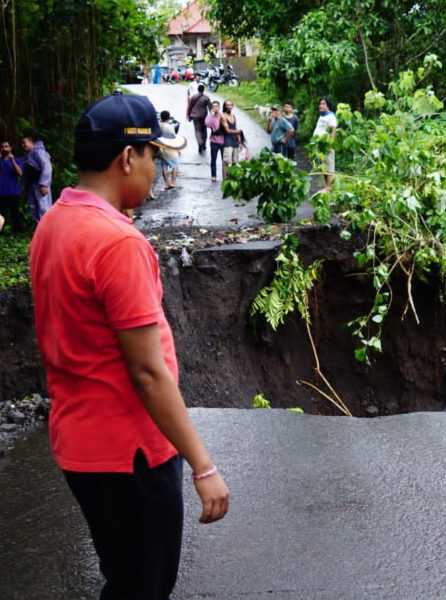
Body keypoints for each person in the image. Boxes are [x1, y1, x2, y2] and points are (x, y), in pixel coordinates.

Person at [29, 92, 223, 599]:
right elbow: (148, 372)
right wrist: (203, 466)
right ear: (127, 157)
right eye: (154, 157)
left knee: (124, 576)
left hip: (80, 446)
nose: (156, 169)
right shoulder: (117, 244)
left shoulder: (53, 224)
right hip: (131, 455)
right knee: (145, 586)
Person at [21, 131, 52, 224]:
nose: (23, 145)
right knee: (33, 206)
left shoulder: (39, 152)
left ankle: (46, 229)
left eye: (24, 142)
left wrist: (44, 184)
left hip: (40, 185)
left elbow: (47, 167)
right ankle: (38, 228)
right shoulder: (29, 154)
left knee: (43, 207)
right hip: (33, 185)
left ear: (31, 141)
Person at [312, 97, 337, 191]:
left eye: (323, 104)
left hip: (326, 145)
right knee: (323, 166)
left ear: (328, 106)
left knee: (329, 166)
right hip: (320, 146)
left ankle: (329, 187)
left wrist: (330, 144)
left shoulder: (331, 116)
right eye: (320, 103)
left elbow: (333, 131)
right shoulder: (322, 115)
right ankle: (326, 186)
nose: (320, 105)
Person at [0, 140, 25, 232]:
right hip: (1, 192)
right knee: (1, 214)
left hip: (13, 191)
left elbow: (20, 173)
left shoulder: (17, 160)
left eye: (6, 146)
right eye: (2, 147)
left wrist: (13, 160)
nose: (4, 148)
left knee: (15, 213)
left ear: (10, 148)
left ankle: (17, 232)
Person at [220, 100, 243, 182]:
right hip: (227, 141)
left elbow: (235, 127)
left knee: (235, 161)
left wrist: (239, 139)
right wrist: (239, 132)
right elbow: (227, 130)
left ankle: (232, 178)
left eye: (230, 105)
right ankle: (225, 179)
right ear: (225, 106)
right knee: (226, 161)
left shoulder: (233, 115)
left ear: (232, 106)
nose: (229, 107)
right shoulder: (223, 116)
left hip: (234, 140)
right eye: (227, 105)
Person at [158, 111, 181, 190]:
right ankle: (173, 182)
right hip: (170, 148)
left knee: (164, 167)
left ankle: (167, 183)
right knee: (175, 166)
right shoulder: (170, 127)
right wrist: (178, 149)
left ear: (161, 117)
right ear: (168, 117)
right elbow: (174, 138)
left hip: (161, 148)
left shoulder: (158, 125)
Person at [187, 83, 212, 154]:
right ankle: (204, 144)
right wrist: (212, 117)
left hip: (195, 116)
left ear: (198, 89)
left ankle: (200, 143)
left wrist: (189, 115)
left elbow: (190, 107)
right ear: (204, 90)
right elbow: (210, 108)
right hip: (204, 116)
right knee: (204, 130)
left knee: (197, 130)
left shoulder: (193, 97)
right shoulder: (206, 97)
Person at [205, 101, 225, 181]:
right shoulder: (210, 117)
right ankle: (213, 175)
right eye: (214, 106)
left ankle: (226, 175)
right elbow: (207, 124)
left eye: (217, 106)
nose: (215, 108)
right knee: (213, 159)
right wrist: (211, 114)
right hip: (214, 141)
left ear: (219, 107)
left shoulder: (223, 116)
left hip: (223, 141)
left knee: (225, 160)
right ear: (212, 108)